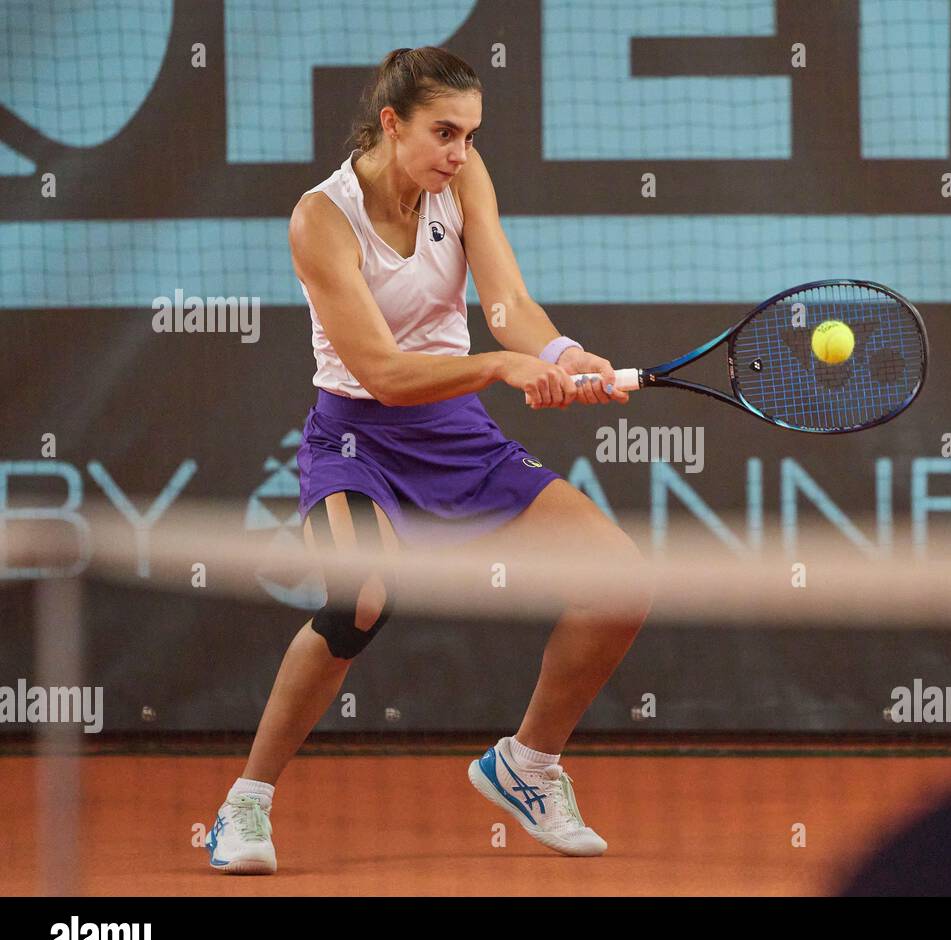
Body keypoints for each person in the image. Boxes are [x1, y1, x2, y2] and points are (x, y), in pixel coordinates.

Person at [204, 46, 654, 872]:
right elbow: (381, 371)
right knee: (359, 601)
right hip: (356, 441)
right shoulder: (321, 219)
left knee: (620, 582)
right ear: (390, 122)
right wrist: (498, 366)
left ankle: (527, 766)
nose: (460, 152)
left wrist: (561, 352)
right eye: (444, 132)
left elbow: (507, 303)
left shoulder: (463, 180)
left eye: (471, 135)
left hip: (455, 436)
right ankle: (245, 805)